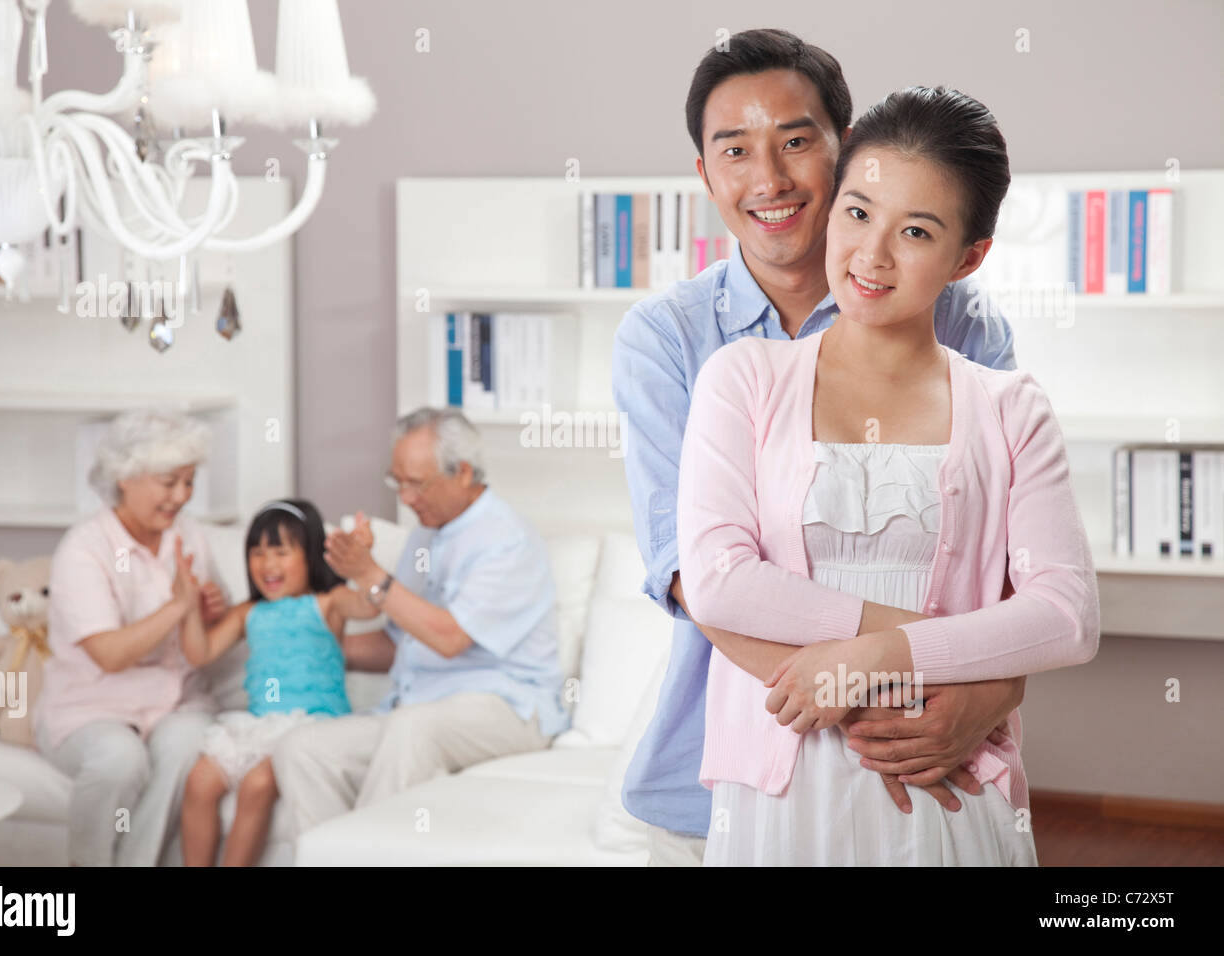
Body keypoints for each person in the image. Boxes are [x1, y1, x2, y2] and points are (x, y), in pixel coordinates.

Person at [613, 28, 1027, 866]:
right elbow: (698, 578)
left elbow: (1021, 580)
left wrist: (982, 696)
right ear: (705, 174)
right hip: (724, 776)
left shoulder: (963, 327)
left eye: (796, 142)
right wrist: (904, 673)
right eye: (735, 150)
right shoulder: (668, 340)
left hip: (933, 759)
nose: (767, 179)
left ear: (847, 154)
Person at [677, 85, 1100, 865]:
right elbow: (718, 581)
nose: (872, 255)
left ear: (967, 257)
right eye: (858, 212)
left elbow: (1066, 615)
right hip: (784, 783)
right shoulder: (743, 378)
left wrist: (873, 660)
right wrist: (944, 650)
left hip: (948, 774)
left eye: (915, 231)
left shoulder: (1010, 407)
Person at [272, 407, 568, 834]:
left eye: (416, 484)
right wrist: (312, 649)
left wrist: (369, 574)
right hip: (417, 708)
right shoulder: (427, 533)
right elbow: (401, 641)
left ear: (463, 472)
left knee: (411, 729)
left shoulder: (506, 539)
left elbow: (448, 638)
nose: (405, 498)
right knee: (301, 749)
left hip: (507, 708)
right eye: (398, 482)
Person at [34, 408, 229, 866]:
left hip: (176, 703)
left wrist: (208, 612)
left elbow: (211, 637)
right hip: (90, 708)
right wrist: (177, 607)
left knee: (186, 747)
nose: (182, 496)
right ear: (126, 477)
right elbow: (110, 655)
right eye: (169, 482)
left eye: (189, 481)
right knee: (119, 760)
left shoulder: (189, 537)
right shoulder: (84, 548)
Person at [179, 499, 366, 866]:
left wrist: (363, 562)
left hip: (312, 725)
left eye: (281, 552)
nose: (268, 564)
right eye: (258, 553)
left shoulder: (328, 604)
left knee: (257, 784)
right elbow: (200, 654)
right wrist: (186, 604)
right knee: (199, 782)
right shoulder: (249, 613)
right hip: (261, 725)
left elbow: (369, 606)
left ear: (311, 556)